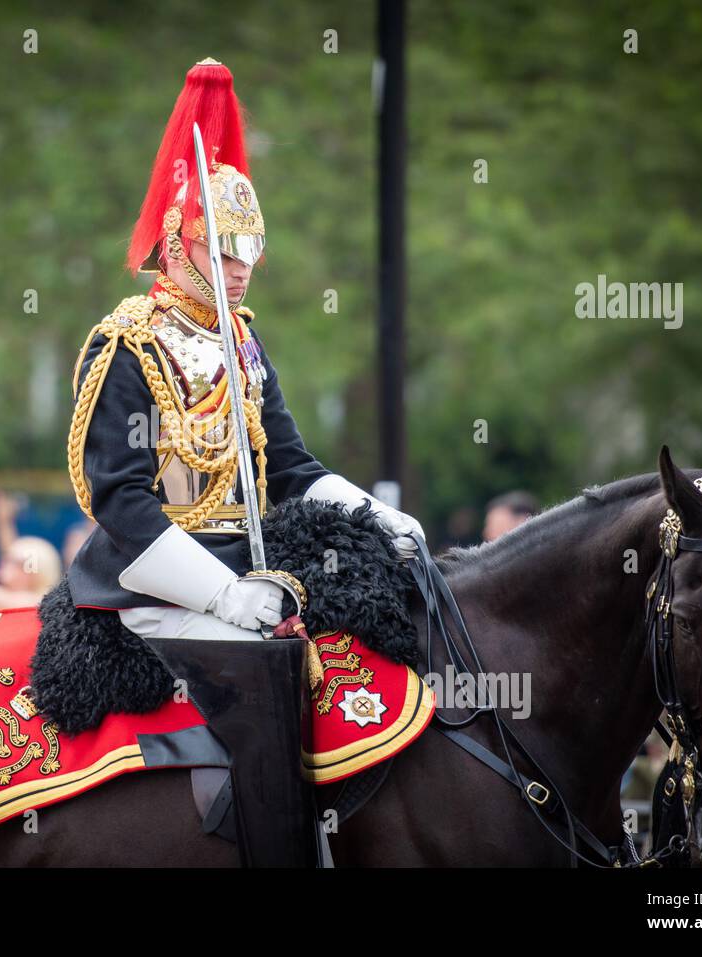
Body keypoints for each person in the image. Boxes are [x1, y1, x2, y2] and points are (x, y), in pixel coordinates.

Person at [63, 59, 423, 865]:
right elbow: (117, 498)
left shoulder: (244, 341)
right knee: (271, 678)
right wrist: (222, 592)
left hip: (256, 570)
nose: (241, 265)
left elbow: (290, 466)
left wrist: (379, 516)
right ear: (177, 243)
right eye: (223, 248)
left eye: (250, 248)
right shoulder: (127, 343)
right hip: (152, 582)